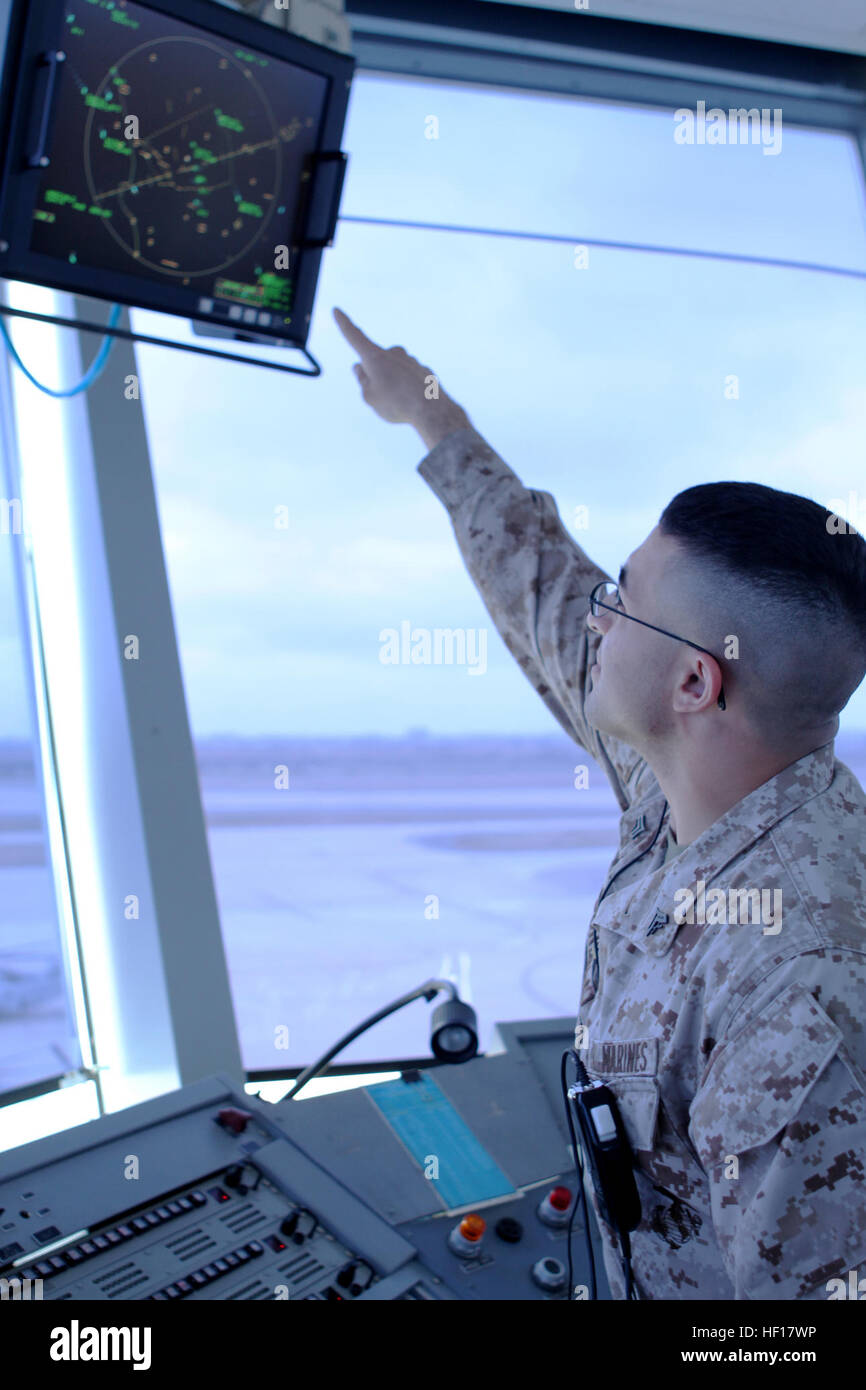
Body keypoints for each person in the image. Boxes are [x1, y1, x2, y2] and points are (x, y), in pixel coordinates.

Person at [332, 307, 866, 1302]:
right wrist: (430, 414)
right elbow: (538, 584)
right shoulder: (700, 784)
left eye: (620, 598)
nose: (595, 615)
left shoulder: (798, 986)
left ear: (695, 685)